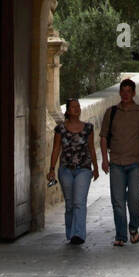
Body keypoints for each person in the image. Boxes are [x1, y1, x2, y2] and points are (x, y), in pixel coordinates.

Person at [100, 78, 139, 246]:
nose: (126, 95)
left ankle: (133, 227)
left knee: (135, 199)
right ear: (120, 93)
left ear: (134, 93)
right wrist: (104, 160)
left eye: (129, 91)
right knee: (118, 201)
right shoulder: (111, 112)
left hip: (135, 163)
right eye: (123, 91)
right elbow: (103, 137)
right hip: (116, 162)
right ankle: (120, 235)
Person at [47, 97, 99, 245]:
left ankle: (79, 234)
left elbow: (91, 149)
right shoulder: (60, 129)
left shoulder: (88, 128)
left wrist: (95, 167)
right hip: (66, 170)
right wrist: (51, 169)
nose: (77, 109)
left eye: (78, 106)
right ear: (68, 111)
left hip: (83, 169)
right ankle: (70, 233)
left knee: (79, 202)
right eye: (73, 107)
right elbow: (56, 149)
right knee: (70, 203)